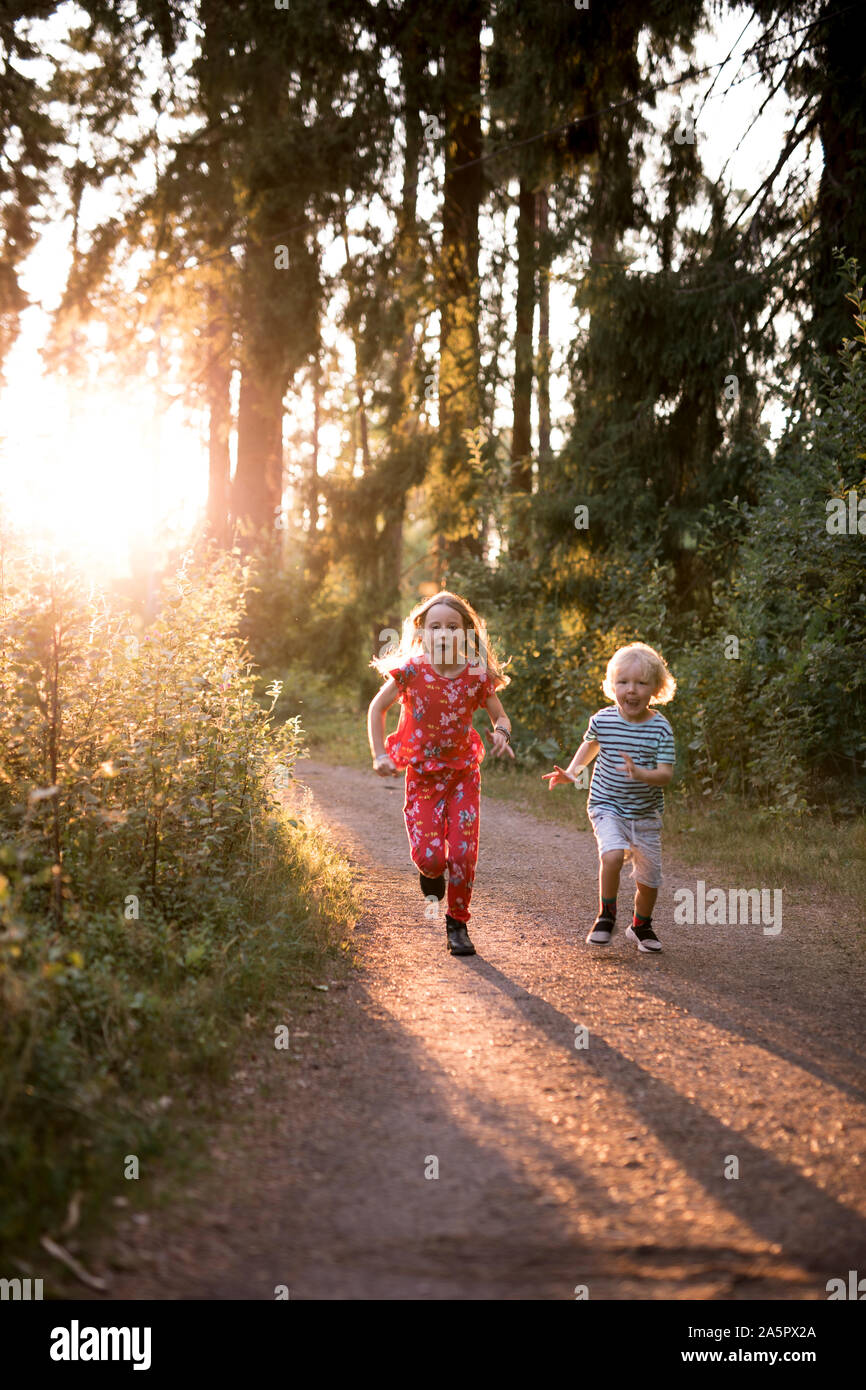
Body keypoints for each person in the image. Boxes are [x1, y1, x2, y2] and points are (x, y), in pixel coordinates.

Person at [367, 590, 514, 956]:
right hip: (423, 777)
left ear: (465, 633)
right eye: (436, 627)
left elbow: (500, 716)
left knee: (463, 853)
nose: (444, 633)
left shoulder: (476, 676)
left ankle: (458, 923)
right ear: (422, 633)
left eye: (453, 627)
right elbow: (376, 709)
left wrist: (501, 733)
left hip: (463, 774)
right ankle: (431, 876)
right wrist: (378, 755)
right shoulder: (411, 672)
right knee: (431, 859)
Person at [543, 642, 676, 953]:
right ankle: (606, 915)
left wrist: (641, 773)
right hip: (606, 805)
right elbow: (590, 745)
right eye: (623, 682)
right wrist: (573, 772)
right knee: (612, 856)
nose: (631, 690)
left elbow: (666, 774)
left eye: (641, 683)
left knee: (649, 880)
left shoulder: (660, 729)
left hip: (645, 813)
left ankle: (641, 925)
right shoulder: (603, 720)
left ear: (656, 688)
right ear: (612, 685)